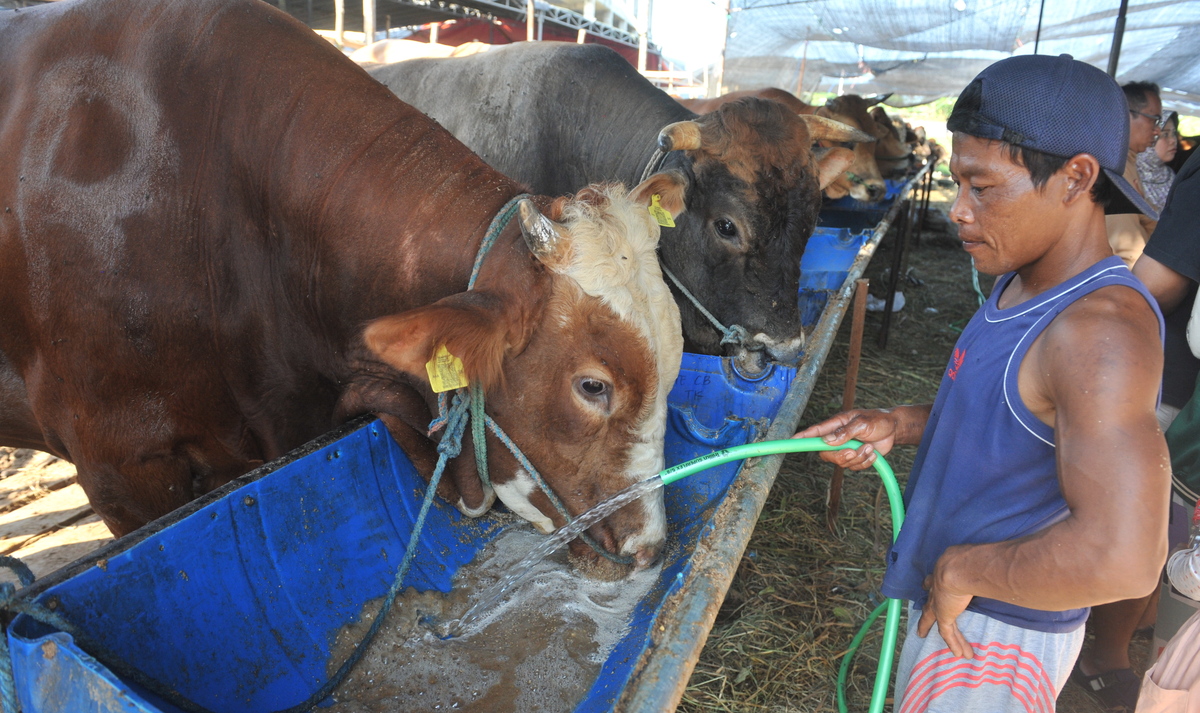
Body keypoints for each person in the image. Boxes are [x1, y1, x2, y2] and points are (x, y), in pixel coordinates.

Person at [796, 54, 1168, 712]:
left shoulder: (1098, 330)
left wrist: (967, 569)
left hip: (997, 637)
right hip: (960, 603)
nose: (959, 211)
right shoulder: (1021, 277)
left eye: (983, 187)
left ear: (1076, 177)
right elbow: (1007, 407)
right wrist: (898, 422)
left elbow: (1126, 553)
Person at [1107, 81, 1163, 266]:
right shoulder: (1116, 167)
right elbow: (1127, 251)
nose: (1157, 130)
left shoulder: (1125, 162)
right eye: (1153, 119)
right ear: (1125, 115)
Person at [1137, 111, 1180, 213]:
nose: (1173, 140)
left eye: (1174, 133)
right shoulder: (1129, 175)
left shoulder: (1170, 175)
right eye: (1165, 134)